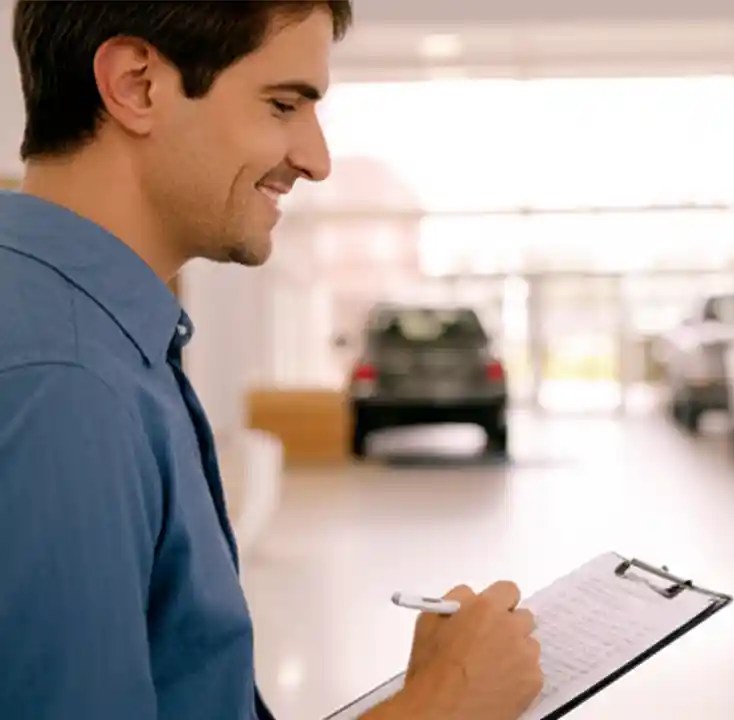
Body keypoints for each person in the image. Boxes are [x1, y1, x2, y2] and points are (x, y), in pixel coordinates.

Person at [0, 2, 543, 718]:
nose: (317, 160)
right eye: (283, 104)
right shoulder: (67, 383)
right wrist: (447, 703)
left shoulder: (86, 336)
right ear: (137, 85)